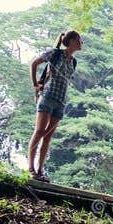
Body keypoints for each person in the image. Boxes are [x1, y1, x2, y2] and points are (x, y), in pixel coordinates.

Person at [27, 30, 82, 181]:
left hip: (61, 102)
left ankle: (40, 170)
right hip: (48, 97)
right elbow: (34, 63)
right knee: (39, 131)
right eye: (78, 40)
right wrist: (36, 85)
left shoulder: (74, 62)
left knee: (48, 137)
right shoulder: (55, 53)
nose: (81, 43)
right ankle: (31, 169)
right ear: (70, 41)